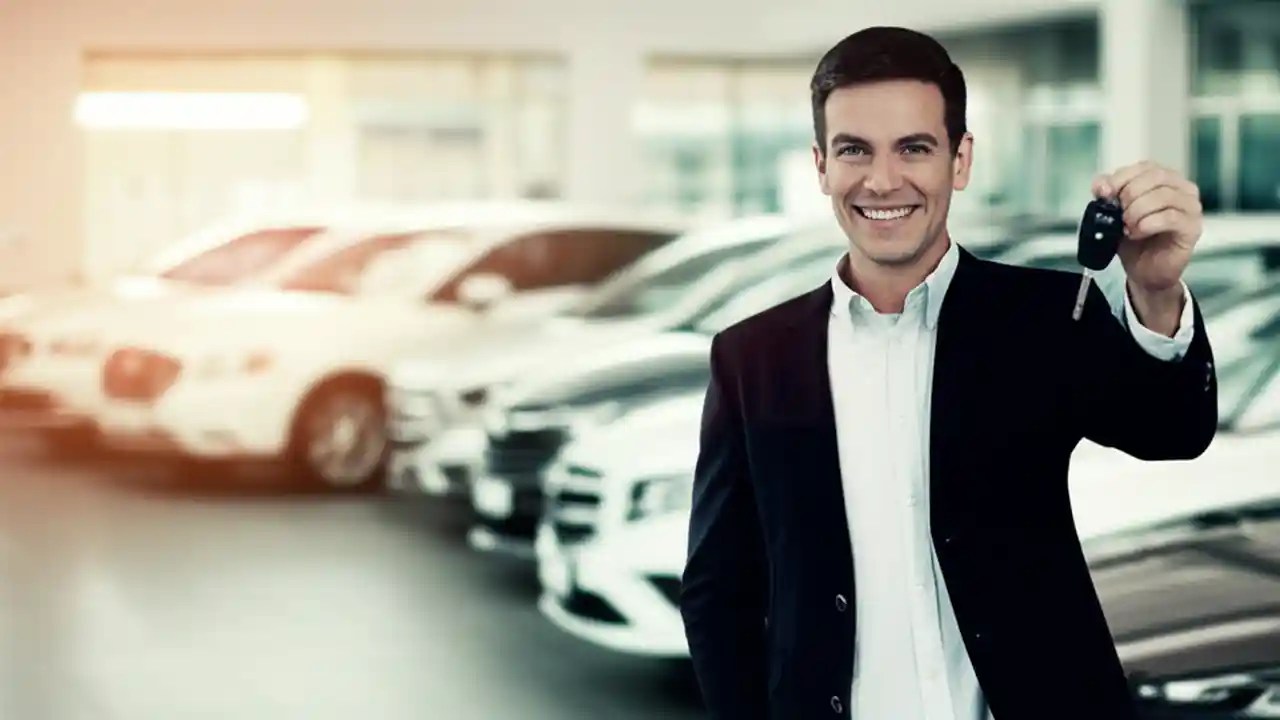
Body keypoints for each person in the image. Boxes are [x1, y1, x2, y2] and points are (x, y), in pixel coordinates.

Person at [678, 26, 1216, 720]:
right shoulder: (751, 358)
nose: (882, 180)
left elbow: (1173, 430)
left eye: (914, 148)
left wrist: (1157, 294)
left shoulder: (1045, 317)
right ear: (820, 167)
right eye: (853, 150)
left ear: (960, 161)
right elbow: (719, 591)